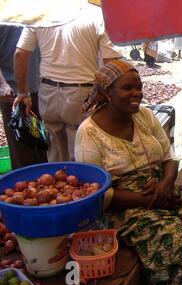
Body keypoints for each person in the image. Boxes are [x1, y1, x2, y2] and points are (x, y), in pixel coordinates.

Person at [74, 60, 182, 285]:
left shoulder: (144, 115)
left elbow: (168, 158)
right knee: (178, 241)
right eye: (128, 88)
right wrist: (151, 199)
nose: (137, 94)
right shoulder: (89, 133)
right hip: (124, 209)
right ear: (107, 92)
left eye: (139, 87)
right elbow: (98, 195)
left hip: (162, 192)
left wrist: (165, 185)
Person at [13, 5, 123, 162]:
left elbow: (20, 54)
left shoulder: (39, 14)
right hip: (82, 93)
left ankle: (56, 183)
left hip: (47, 92)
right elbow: (110, 63)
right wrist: (106, 95)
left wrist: (23, 93)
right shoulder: (96, 14)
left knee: (55, 154)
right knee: (82, 154)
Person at [0, 25, 47, 169]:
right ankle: (24, 184)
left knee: (45, 143)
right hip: (13, 93)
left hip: (41, 88)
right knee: (22, 147)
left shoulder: (35, 14)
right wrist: (2, 84)